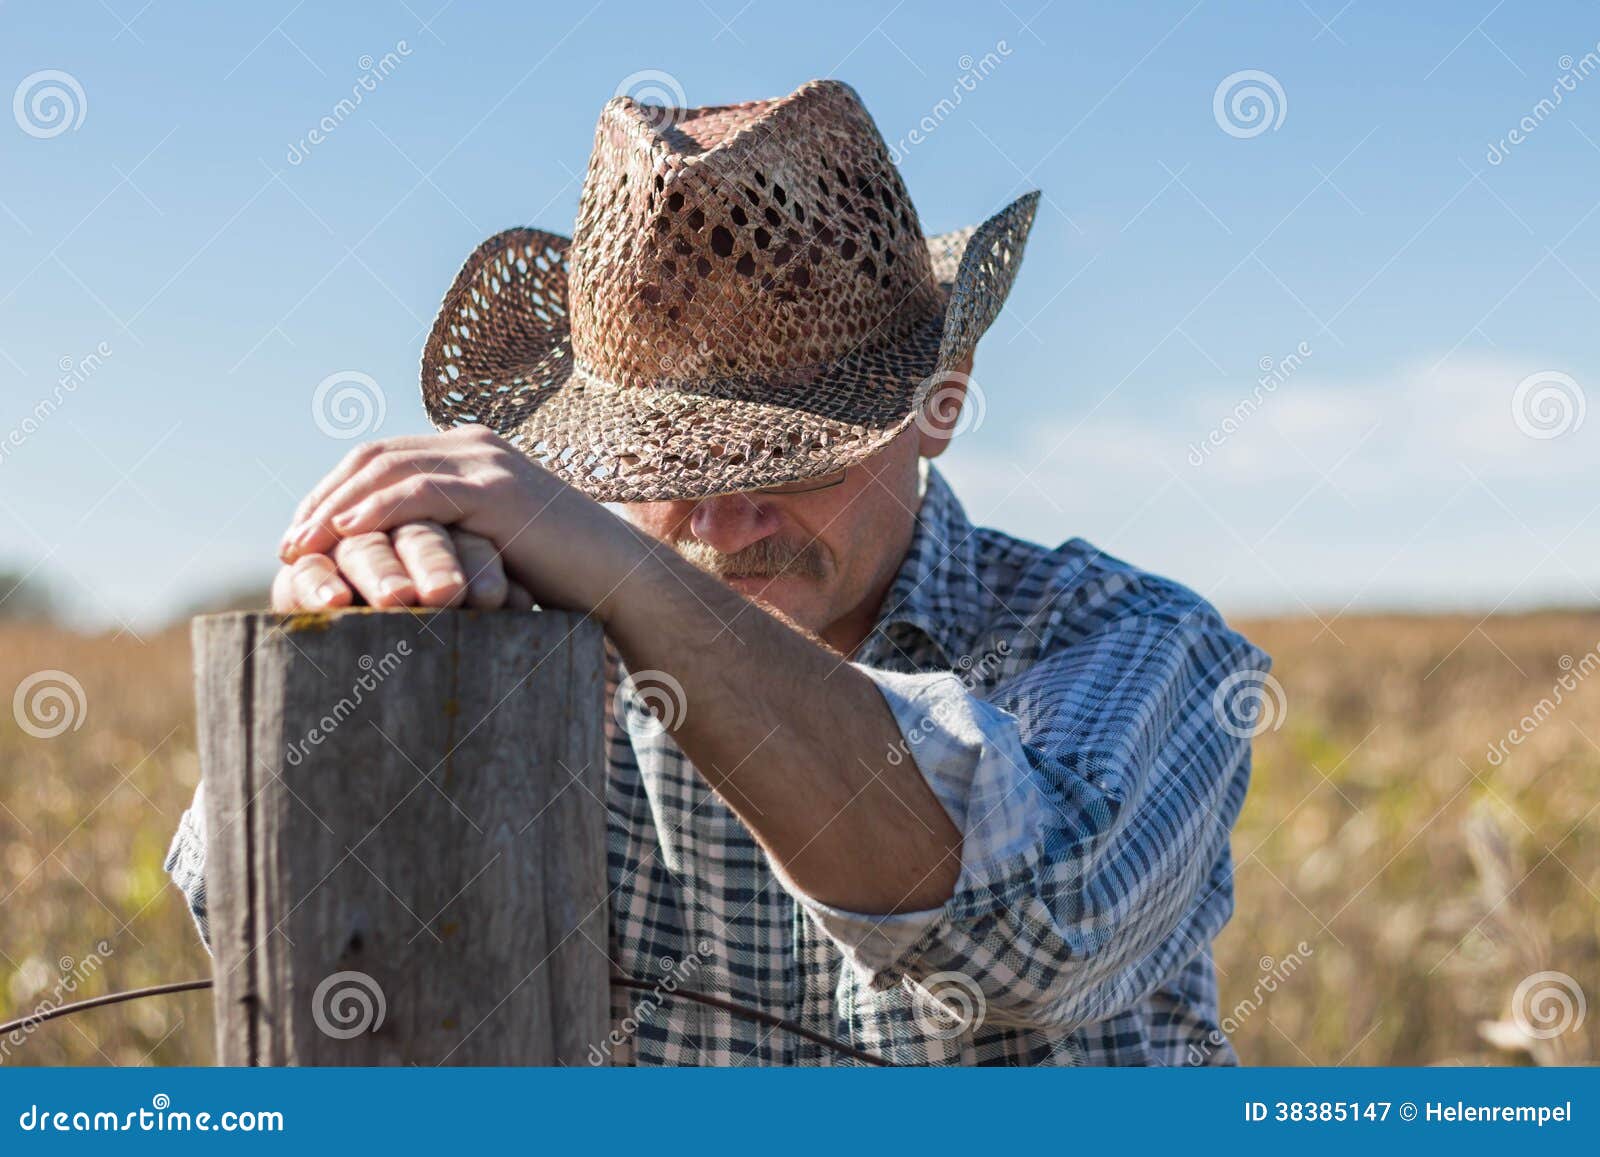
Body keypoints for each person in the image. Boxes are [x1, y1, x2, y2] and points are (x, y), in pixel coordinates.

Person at [167, 78, 1270, 1065]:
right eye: (660, 463)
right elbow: (281, 938)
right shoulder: (529, 658)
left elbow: (1024, 933)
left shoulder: (1120, 638)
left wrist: (623, 578)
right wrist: (366, 669)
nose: (726, 516)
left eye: (799, 450)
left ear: (941, 400)